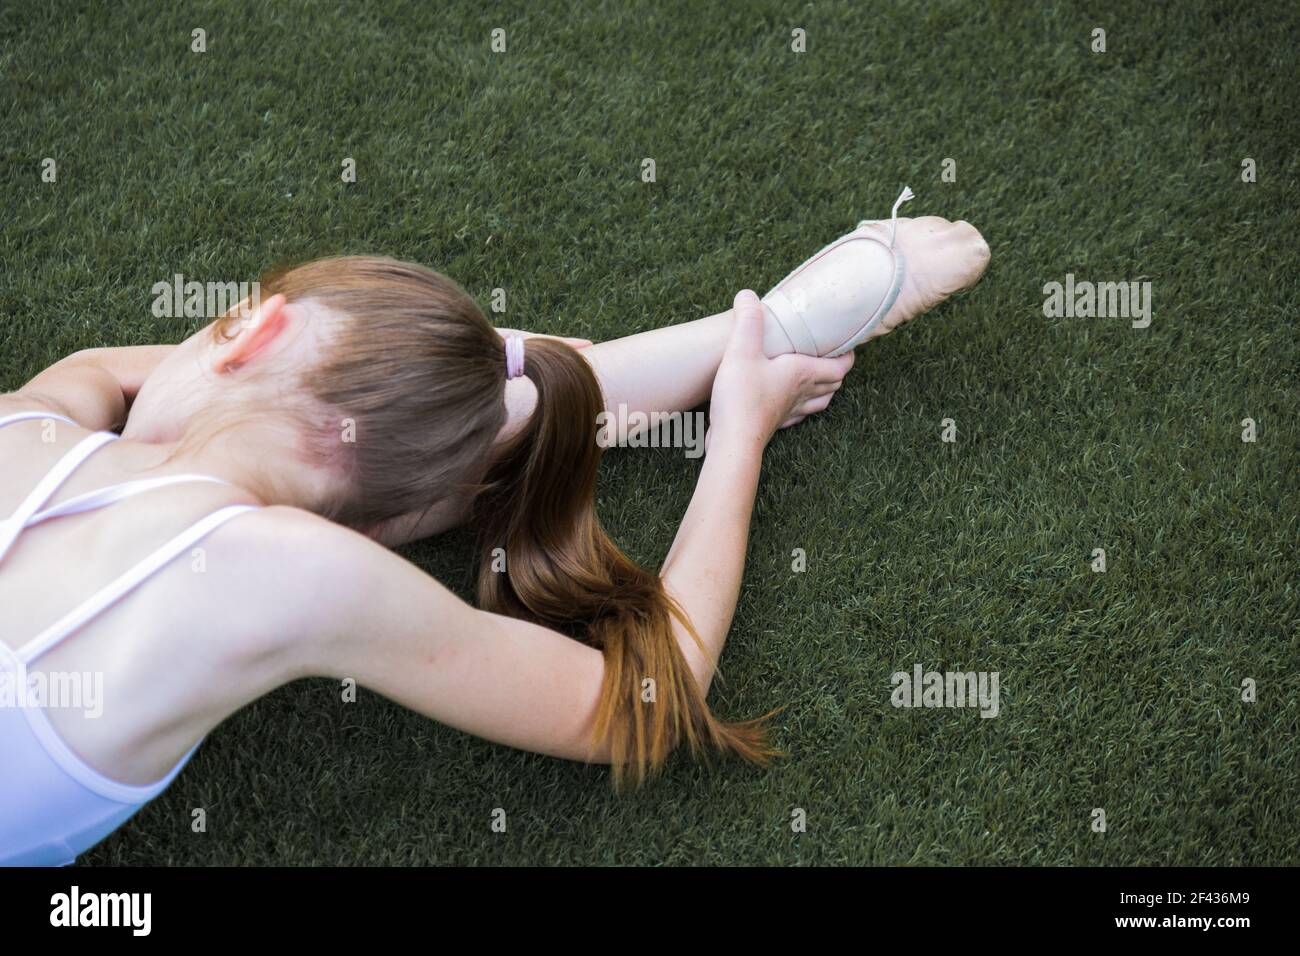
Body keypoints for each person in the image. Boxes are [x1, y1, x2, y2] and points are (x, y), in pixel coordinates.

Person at [0, 197, 989, 865]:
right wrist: (736, 428)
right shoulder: (296, 572)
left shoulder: (33, 417)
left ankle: (745, 332)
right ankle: (754, 333)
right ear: (384, 526)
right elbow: (655, 690)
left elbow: (117, 373)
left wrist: (513, 378)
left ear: (249, 336)